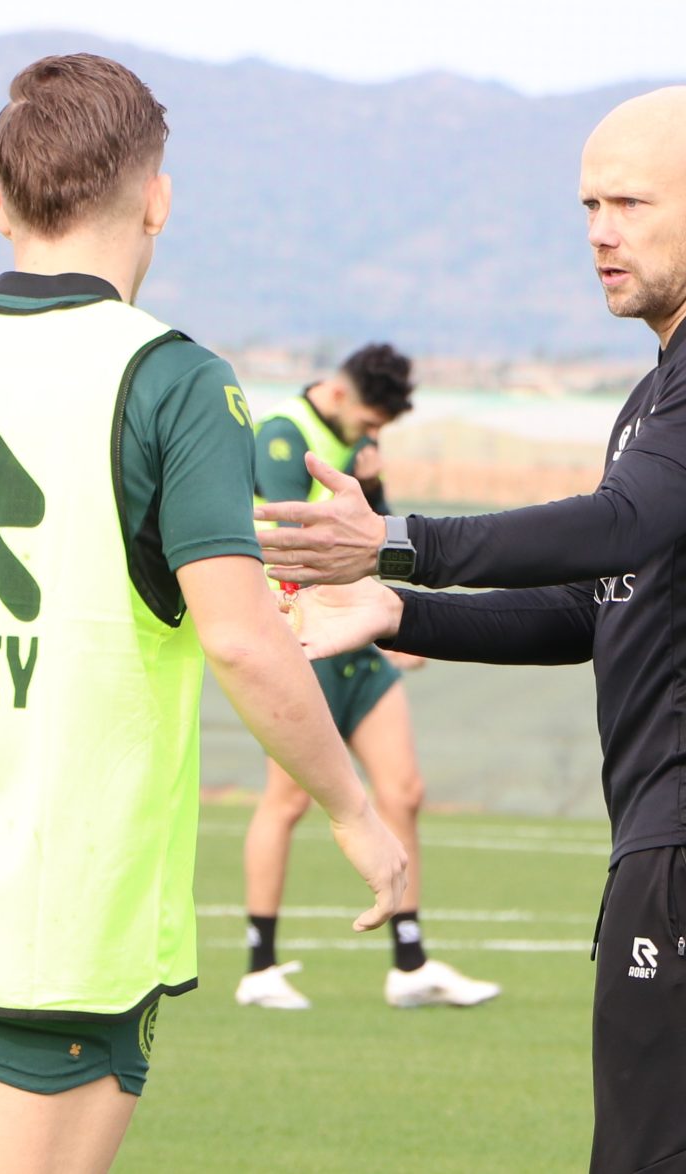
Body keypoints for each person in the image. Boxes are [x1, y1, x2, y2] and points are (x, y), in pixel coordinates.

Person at [0, 54, 405, 1174]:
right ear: (158, 196)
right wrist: (357, 814)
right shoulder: (172, 379)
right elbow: (239, 633)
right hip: (57, 908)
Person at [260, 86, 686, 1173]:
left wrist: (399, 542)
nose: (600, 230)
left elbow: (619, 525)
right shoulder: (667, 390)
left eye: (630, 201)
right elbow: (601, 606)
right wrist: (400, 605)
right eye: (589, 203)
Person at [238, 345, 500, 1010]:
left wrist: (389, 622)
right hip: (300, 640)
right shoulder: (284, 435)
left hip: (354, 638)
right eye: (371, 421)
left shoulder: (355, 448)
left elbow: (362, 540)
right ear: (340, 396)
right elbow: (293, 538)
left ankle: (410, 964)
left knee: (404, 791)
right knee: (288, 801)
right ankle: (260, 966)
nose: (373, 434)